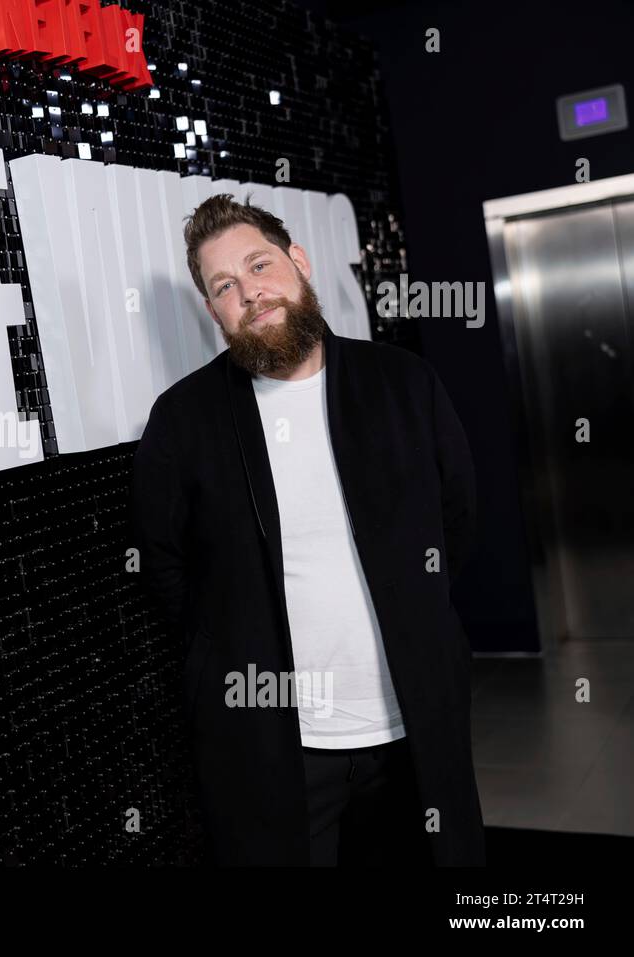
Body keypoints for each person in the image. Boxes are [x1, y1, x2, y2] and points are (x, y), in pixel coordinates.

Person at [130, 193, 485, 865]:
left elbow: (457, 522)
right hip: (275, 751)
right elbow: (168, 570)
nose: (250, 293)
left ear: (299, 261)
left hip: (413, 731)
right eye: (224, 286)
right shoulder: (183, 421)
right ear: (213, 311)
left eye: (259, 265)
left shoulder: (403, 383)